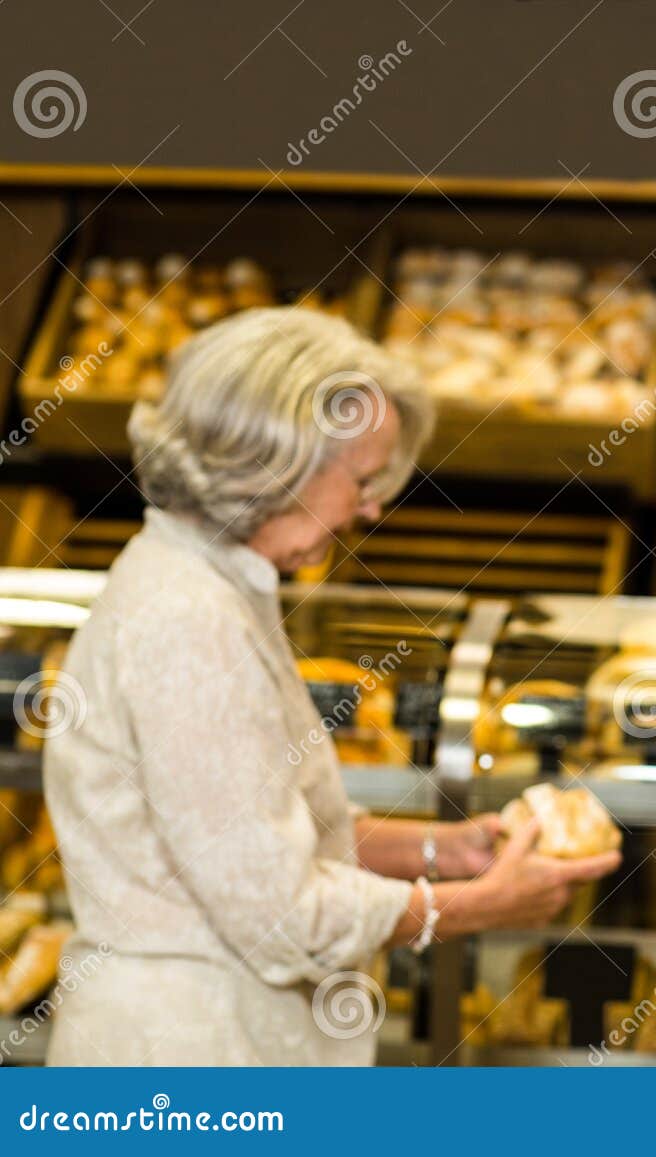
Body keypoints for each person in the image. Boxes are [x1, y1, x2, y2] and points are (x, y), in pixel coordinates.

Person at [44, 307, 619, 1065]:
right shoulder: (188, 618)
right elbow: (278, 911)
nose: (372, 507)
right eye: (362, 477)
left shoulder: (214, 582)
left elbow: (259, 827)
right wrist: (479, 906)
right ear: (275, 459)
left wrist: (443, 848)